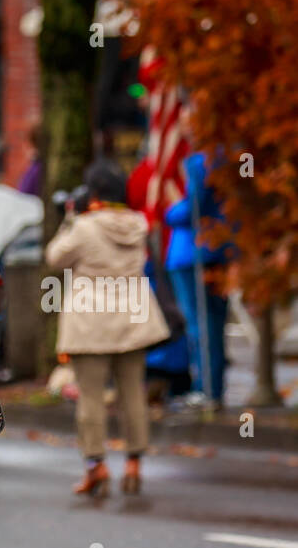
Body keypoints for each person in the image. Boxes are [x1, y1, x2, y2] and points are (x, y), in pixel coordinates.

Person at [44, 160, 170, 497]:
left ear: (93, 192)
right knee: (133, 394)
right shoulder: (138, 224)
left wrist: (69, 217)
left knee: (91, 398)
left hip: (91, 323)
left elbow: (55, 257)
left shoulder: (83, 228)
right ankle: (133, 464)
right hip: (133, 319)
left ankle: (96, 466)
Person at [164, 135, 231, 407]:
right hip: (218, 250)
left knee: (200, 323)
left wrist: (170, 210)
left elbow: (190, 209)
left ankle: (207, 389)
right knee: (213, 323)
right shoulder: (232, 159)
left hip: (193, 252)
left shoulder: (201, 162)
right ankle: (212, 388)